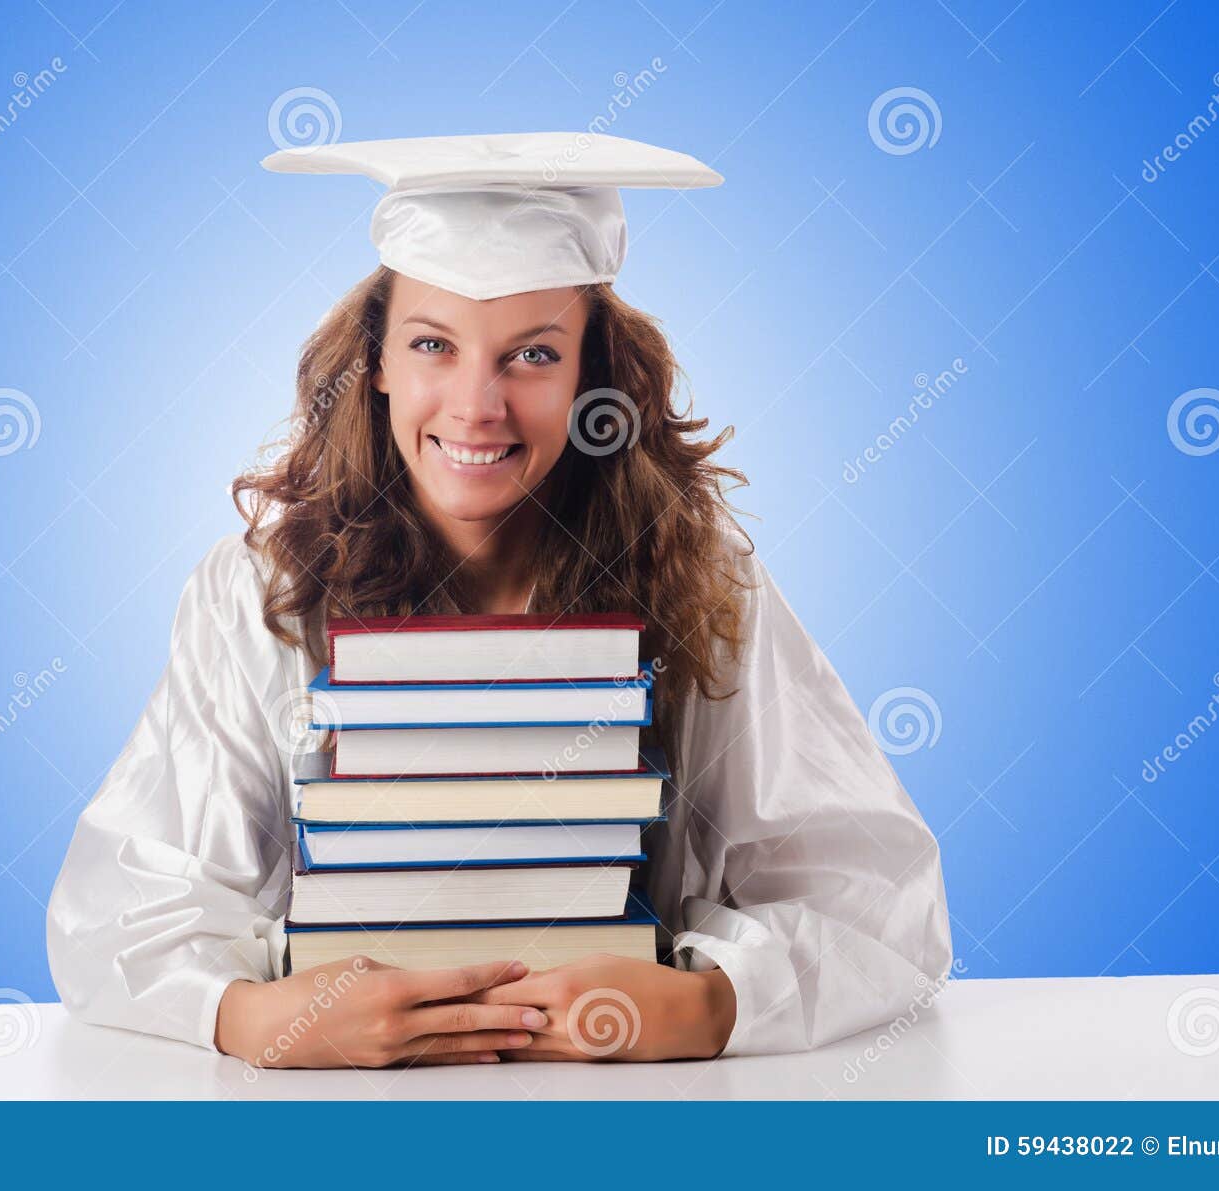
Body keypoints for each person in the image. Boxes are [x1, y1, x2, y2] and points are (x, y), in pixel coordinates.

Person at [47, 132, 952, 1067]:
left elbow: (876, 900)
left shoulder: (702, 578)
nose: (478, 404)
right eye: (433, 343)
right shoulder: (261, 593)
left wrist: (708, 1008)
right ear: (378, 363)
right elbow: (125, 905)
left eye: (531, 354)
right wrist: (258, 1019)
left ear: (589, 378)